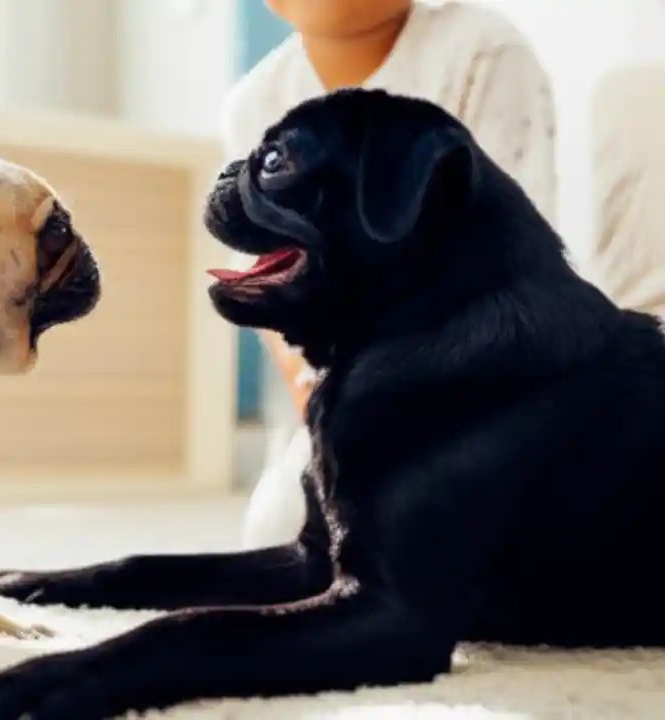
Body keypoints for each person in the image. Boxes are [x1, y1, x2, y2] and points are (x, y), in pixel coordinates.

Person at [222, 0, 557, 549]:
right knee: (277, 530)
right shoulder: (255, 100)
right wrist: (312, 383)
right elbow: (266, 273)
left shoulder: (482, 51)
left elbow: (514, 251)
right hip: (342, 389)